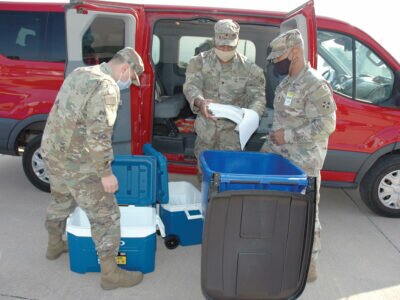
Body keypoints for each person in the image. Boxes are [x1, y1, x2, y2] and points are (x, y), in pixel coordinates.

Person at [40, 47, 144, 290]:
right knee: (106, 215)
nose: (128, 82)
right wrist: (105, 173)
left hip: (54, 153)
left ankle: (54, 245)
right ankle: (110, 274)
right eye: (131, 77)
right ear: (125, 68)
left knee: (61, 199)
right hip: (78, 162)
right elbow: (99, 135)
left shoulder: (81, 72)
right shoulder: (107, 86)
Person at [261, 29, 336, 282]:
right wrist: (269, 147)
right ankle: (284, 254)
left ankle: (310, 264)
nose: (275, 62)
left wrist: (289, 136)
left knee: (307, 214)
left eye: (278, 56)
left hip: (304, 163)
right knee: (283, 211)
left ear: (294, 52)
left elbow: (326, 125)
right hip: (281, 159)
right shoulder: (286, 82)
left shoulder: (315, 84)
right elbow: (281, 122)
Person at [183, 19, 266, 173]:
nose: (226, 49)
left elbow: (258, 98)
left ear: (237, 42)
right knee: (205, 175)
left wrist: (252, 115)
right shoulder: (198, 62)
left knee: (229, 178)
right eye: (222, 45)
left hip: (233, 135)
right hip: (206, 133)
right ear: (215, 40)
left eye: (230, 46)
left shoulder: (251, 70)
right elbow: (191, 86)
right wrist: (200, 102)